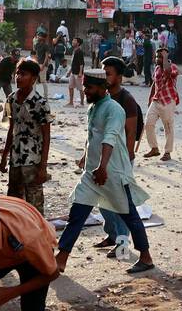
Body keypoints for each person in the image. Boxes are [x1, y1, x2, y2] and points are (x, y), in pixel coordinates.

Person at [57, 67, 154, 275]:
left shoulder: (114, 109)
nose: (85, 91)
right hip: (93, 174)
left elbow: (109, 137)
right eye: (84, 87)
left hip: (113, 174)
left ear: (103, 88)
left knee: (129, 215)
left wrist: (103, 167)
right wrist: (86, 157)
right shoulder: (94, 107)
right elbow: (93, 135)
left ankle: (145, 257)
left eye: (89, 88)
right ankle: (61, 258)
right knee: (77, 215)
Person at [94, 57, 142, 249]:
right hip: (103, 156)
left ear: (120, 77)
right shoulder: (102, 97)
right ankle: (112, 235)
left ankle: (122, 242)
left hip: (120, 158)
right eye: (103, 73)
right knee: (103, 200)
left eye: (108, 74)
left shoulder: (126, 100)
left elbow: (131, 131)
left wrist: (128, 157)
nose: (104, 77)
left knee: (120, 203)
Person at [0, 59, 51, 213]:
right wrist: (4, 158)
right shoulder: (11, 99)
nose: (19, 77)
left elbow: (46, 136)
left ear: (34, 78)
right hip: (15, 159)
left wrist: (43, 167)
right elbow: (11, 129)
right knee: (14, 205)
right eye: (18, 73)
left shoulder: (40, 103)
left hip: (33, 161)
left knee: (34, 207)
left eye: (24, 74)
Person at [144, 46, 179, 162]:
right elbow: (154, 84)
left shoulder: (172, 67)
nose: (157, 58)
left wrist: (165, 58)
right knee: (148, 123)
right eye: (157, 56)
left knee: (168, 127)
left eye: (160, 56)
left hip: (168, 100)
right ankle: (154, 148)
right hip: (156, 100)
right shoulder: (157, 68)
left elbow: (168, 73)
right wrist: (150, 98)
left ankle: (167, 152)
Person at [67, 37, 86, 108]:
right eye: (73, 40)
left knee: (80, 88)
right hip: (73, 72)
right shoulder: (74, 51)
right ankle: (71, 102)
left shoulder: (79, 51)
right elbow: (73, 62)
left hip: (78, 73)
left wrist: (80, 72)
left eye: (74, 41)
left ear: (78, 43)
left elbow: (82, 63)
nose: (72, 41)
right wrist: (69, 71)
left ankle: (82, 103)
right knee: (70, 87)